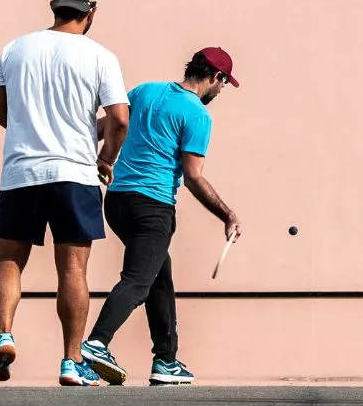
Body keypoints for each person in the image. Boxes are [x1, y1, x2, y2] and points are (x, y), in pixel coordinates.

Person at [0, 0, 131, 386]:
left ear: (53, 7)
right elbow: (119, 118)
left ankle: (3, 335)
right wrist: (106, 158)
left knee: (9, 260)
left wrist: (27, 130)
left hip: (21, 171)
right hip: (74, 173)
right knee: (73, 269)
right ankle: (70, 360)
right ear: (92, 12)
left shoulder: (15, 49)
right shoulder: (100, 55)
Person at [80, 48, 244, 386]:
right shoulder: (197, 114)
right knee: (139, 280)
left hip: (118, 202)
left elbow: (106, 125)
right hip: (152, 207)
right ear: (216, 77)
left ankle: (166, 360)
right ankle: (97, 343)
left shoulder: (145, 90)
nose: (221, 91)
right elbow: (194, 176)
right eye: (224, 84)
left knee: (159, 276)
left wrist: (83, 152)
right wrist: (227, 215)